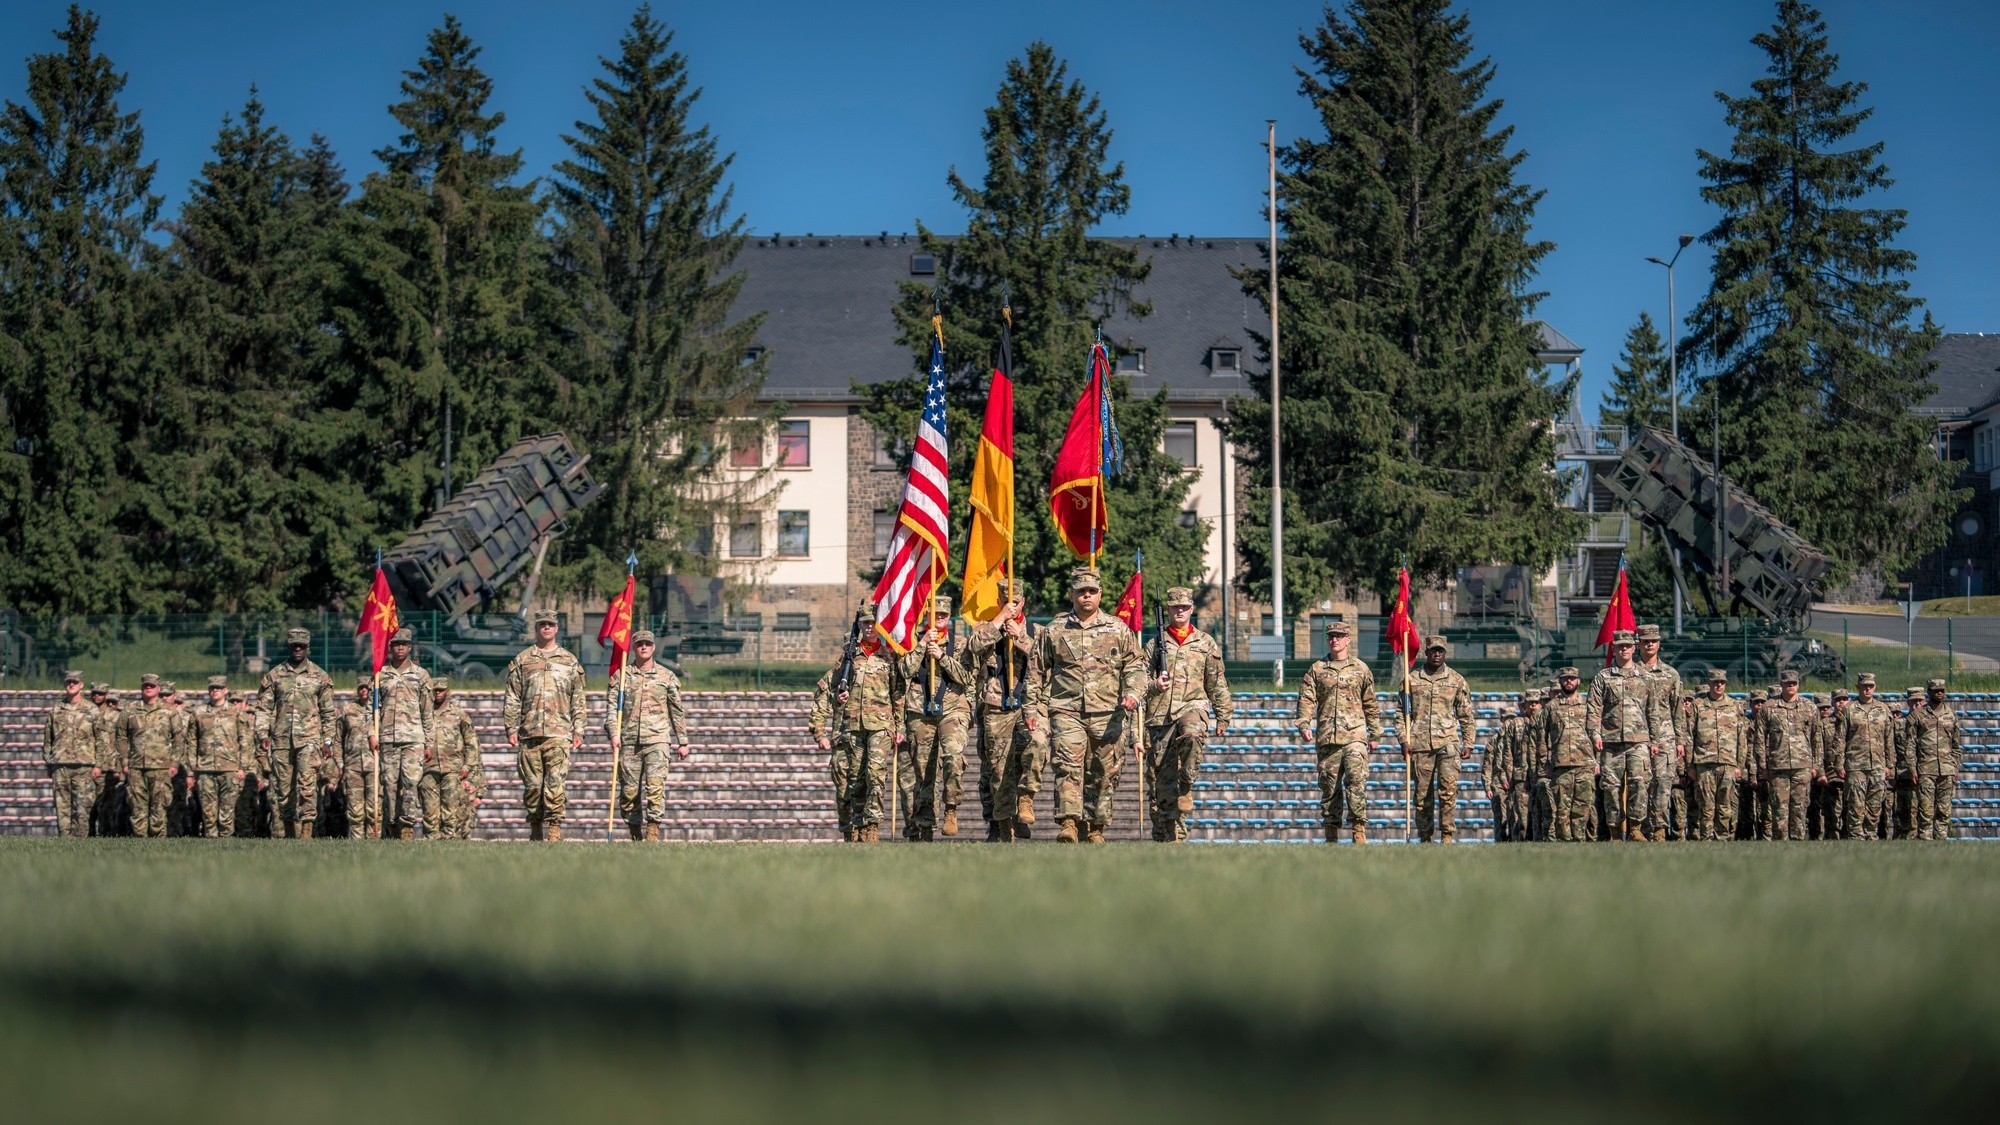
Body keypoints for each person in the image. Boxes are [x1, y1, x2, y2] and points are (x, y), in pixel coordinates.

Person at [1028, 566, 1144, 844]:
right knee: (1067, 766)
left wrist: (1133, 692)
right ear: (1072, 595)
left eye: (1092, 591)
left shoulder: (1117, 628)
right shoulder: (1055, 630)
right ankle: (1069, 822)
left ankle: (1095, 827)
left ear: (1100, 594)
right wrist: (1031, 709)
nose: (1087, 596)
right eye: (1081, 592)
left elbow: (1135, 666)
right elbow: (1036, 671)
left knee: (1104, 772)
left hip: (1108, 713)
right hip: (1066, 710)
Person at [1141, 587, 1231, 843]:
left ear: (1192, 609)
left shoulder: (1205, 642)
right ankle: (1171, 834)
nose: (1179, 611)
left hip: (1193, 706)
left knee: (1192, 735)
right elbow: (1139, 679)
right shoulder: (1155, 644)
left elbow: (1216, 681)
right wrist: (1154, 684)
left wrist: (1223, 715)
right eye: (1175, 607)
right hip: (1160, 715)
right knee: (1162, 779)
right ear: (1168, 610)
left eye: (1184, 607)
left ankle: (1187, 785)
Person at [808, 618, 901, 842]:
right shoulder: (842, 668)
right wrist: (819, 732)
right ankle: (850, 831)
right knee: (846, 788)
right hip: (844, 735)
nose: (869, 627)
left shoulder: (887, 658)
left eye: (872, 623)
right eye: (865, 623)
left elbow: (897, 693)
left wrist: (899, 726)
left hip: (875, 726)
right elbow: (823, 699)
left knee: (873, 775)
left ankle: (868, 826)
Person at [500, 611, 588, 841]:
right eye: (542, 625)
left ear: (557, 628)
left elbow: (578, 698)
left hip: (559, 733)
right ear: (536, 628)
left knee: (555, 785)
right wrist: (511, 728)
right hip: (529, 733)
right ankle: (535, 827)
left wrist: (579, 729)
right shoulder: (523, 660)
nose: (546, 628)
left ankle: (554, 828)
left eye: (550, 624)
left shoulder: (569, 661)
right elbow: (512, 697)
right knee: (533, 786)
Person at [963, 596, 1045, 841]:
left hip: (1030, 703)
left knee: (1037, 743)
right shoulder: (987, 627)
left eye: (1016, 601)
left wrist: (1019, 637)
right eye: (1007, 600)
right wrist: (999, 621)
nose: (1012, 605)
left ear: (1024, 602)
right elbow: (973, 647)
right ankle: (1003, 822)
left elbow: (1046, 660)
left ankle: (1026, 798)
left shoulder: (1037, 632)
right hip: (996, 704)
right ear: (998, 600)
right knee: (998, 769)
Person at [1293, 620, 1380, 844]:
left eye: (1339, 636)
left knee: (1356, 781)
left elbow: (1370, 703)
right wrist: (1304, 724)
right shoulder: (1317, 669)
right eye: (1331, 636)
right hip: (1328, 737)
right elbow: (1306, 699)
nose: (1335, 640)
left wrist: (1375, 733)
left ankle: (1358, 830)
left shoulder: (1361, 669)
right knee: (1329, 788)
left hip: (1355, 736)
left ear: (1348, 640)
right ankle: (1331, 834)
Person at [895, 595, 972, 841]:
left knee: (953, 756)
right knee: (923, 771)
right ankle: (926, 825)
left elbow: (967, 677)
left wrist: (942, 656)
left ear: (949, 617)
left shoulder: (960, 643)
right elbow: (905, 670)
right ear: (926, 615)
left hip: (952, 708)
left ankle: (951, 806)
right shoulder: (912, 642)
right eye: (934, 614)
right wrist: (922, 645)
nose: (938, 618)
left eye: (943, 615)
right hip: (920, 711)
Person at [606, 629, 690, 841]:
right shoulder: (622, 676)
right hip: (629, 741)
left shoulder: (666, 676)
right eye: (639, 644)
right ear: (634, 647)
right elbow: (612, 709)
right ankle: (635, 834)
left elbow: (676, 711)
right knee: (629, 793)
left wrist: (683, 741)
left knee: (655, 788)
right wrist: (614, 734)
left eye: (647, 644)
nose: (643, 647)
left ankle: (652, 834)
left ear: (653, 647)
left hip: (657, 740)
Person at [258, 628, 338, 838]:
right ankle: (288, 832)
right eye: (294, 646)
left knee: (307, 786)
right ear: (289, 647)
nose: (297, 650)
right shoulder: (275, 675)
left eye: (301, 646)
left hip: (309, 740)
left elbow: (329, 713)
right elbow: (264, 708)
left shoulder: (320, 676)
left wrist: (328, 741)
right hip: (282, 740)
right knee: (284, 789)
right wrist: (262, 734)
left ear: (307, 647)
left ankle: (306, 833)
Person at [1587, 630, 1664, 842]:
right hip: (1611, 742)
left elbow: (1653, 711)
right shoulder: (1603, 677)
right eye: (1620, 646)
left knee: (1639, 785)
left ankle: (1635, 829)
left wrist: (1655, 740)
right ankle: (1614, 832)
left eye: (1628, 646)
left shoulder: (1645, 677)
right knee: (1611, 789)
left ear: (1633, 648)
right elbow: (1594, 709)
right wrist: (1595, 734)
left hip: (1638, 742)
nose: (1624, 649)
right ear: (1614, 649)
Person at [1406, 639, 1473, 843]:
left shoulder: (1456, 680)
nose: (1437, 654)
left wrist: (1468, 742)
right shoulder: (1411, 679)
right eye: (1433, 651)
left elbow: (1466, 714)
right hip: (1420, 744)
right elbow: (1402, 713)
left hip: (1448, 743)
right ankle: (1425, 837)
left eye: (1440, 651)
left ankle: (1447, 836)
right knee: (1422, 796)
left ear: (1445, 653)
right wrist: (1403, 739)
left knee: (1448, 792)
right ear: (1426, 653)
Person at [374, 627, 434, 840]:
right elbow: (373, 709)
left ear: (410, 647)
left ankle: (407, 828)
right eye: (396, 644)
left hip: (413, 738)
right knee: (389, 785)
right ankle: (391, 826)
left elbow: (427, 711)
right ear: (390, 647)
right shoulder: (380, 675)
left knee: (410, 784)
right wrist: (372, 733)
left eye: (404, 644)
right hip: (388, 738)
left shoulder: (421, 675)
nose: (400, 648)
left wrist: (429, 742)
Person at [1634, 624, 1685, 841]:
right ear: (1639, 644)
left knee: (1663, 785)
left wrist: (1680, 740)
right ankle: (1641, 829)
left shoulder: (1670, 674)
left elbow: (1677, 709)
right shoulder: (1632, 672)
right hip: (1639, 737)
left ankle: (1660, 830)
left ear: (1659, 644)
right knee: (1641, 784)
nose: (1649, 645)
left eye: (1653, 641)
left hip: (1666, 737)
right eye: (1645, 641)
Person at [1757, 671, 1820, 841]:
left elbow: (1817, 738)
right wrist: (1762, 766)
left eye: (1793, 683)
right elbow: (1760, 739)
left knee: (1800, 808)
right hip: (1778, 766)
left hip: (1802, 765)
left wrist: (1816, 766)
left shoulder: (1809, 707)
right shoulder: (1768, 707)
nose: (1790, 686)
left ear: (1798, 684)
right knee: (1779, 809)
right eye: (1787, 683)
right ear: (1781, 684)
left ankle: (1798, 842)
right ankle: (1781, 844)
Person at [190, 676, 254, 838]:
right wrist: (193, 768)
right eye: (212, 688)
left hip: (230, 768)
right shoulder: (199, 713)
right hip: (205, 768)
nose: (215, 691)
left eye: (218, 688)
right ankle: (211, 843)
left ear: (225, 690)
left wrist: (243, 767)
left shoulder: (236, 712)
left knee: (227, 813)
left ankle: (226, 844)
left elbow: (245, 740)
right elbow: (191, 741)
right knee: (208, 814)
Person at [422, 677, 485, 839]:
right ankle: (431, 844)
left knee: (450, 811)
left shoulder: (459, 715)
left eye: (441, 690)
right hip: (428, 768)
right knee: (430, 812)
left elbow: (471, 743)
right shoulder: (423, 714)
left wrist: (468, 766)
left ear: (447, 691)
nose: (437, 693)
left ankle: (449, 842)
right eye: (435, 690)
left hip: (452, 769)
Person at [1686, 670, 1745, 840]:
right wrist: (1690, 765)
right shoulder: (1698, 705)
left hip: (1727, 763)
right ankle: (1706, 840)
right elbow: (1689, 736)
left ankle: (1722, 839)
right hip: (1704, 763)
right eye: (1715, 682)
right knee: (1706, 806)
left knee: (1725, 806)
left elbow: (1741, 738)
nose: (1719, 685)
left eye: (1722, 682)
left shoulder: (1734, 705)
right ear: (1709, 683)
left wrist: (1739, 765)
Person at [1540, 667, 1597, 841]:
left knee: (1582, 808)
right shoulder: (1551, 707)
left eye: (1572, 678)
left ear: (1578, 681)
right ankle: (1564, 843)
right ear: (1560, 681)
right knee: (1561, 810)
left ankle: (1579, 842)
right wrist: (1545, 763)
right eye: (1565, 678)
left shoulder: (1588, 705)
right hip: (1561, 765)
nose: (1569, 681)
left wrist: (1597, 761)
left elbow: (1596, 734)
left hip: (1584, 763)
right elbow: (1542, 737)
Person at [117, 674, 177, 837]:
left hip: (160, 768)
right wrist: (124, 762)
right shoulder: (130, 710)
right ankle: (140, 842)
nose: (148, 688)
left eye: (152, 686)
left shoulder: (169, 711)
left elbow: (179, 738)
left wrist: (174, 763)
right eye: (145, 686)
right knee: (137, 808)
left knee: (159, 807)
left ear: (158, 688)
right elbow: (121, 737)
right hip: (136, 767)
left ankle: (157, 843)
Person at [42, 670, 100, 837]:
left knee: (82, 810)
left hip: (84, 765)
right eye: (68, 682)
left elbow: (102, 738)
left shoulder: (91, 709)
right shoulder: (56, 709)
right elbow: (48, 738)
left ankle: (80, 845)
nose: (71, 684)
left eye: (75, 682)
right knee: (62, 809)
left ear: (81, 685)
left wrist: (99, 764)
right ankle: (65, 844)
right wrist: (49, 762)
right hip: (60, 765)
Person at [1839, 674, 1894, 840]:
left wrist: (1889, 764)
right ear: (1858, 687)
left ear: (1875, 687)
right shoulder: (1849, 709)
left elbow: (1888, 738)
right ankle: (1856, 837)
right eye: (1864, 686)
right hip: (1855, 764)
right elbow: (1840, 739)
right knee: (1855, 805)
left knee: (1875, 805)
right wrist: (1839, 765)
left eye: (1870, 686)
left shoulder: (1883, 709)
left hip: (1877, 764)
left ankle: (1871, 835)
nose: (1867, 689)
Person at [1909, 678, 1960, 840]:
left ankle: (1941, 840)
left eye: (1942, 691)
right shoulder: (1918, 715)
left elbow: (1956, 745)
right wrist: (1912, 768)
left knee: (1944, 810)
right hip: (1926, 769)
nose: (1939, 693)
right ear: (1929, 692)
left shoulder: (1951, 715)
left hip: (1946, 768)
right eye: (1936, 690)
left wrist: (1955, 766)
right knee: (1926, 809)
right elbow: (1910, 745)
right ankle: (1925, 840)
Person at [335, 684, 377, 839]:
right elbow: (337, 740)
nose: (364, 690)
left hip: (374, 765)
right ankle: (357, 841)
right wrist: (340, 764)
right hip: (353, 765)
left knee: (374, 807)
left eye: (367, 688)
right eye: (361, 688)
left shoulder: (378, 711)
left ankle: (374, 840)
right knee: (355, 809)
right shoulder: (348, 710)